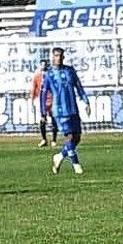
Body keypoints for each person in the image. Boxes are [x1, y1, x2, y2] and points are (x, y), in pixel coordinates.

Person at [43, 47, 89, 176]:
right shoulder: (49, 74)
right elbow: (44, 93)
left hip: (73, 108)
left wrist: (85, 101)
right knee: (69, 136)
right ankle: (76, 164)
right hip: (59, 110)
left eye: (60, 56)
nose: (58, 58)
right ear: (53, 57)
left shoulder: (70, 71)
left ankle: (60, 156)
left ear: (63, 57)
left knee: (77, 138)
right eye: (56, 55)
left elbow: (78, 86)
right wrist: (43, 111)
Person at [29, 59, 57, 148]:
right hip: (41, 100)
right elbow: (33, 88)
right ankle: (44, 139)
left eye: (45, 64)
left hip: (51, 100)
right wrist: (32, 100)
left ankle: (54, 140)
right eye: (42, 64)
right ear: (40, 66)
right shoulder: (37, 76)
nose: (43, 66)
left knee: (54, 120)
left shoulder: (51, 75)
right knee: (42, 120)